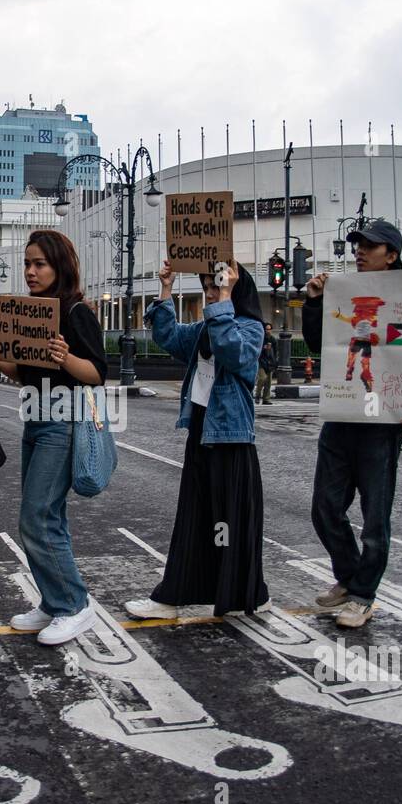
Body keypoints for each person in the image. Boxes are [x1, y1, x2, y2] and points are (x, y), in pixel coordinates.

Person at [303, 218, 402, 628]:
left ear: (391, 255)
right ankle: (349, 577)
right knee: (325, 509)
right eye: (358, 245)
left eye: (370, 246)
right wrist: (313, 302)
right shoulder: (341, 293)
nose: (360, 251)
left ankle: (363, 595)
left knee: (374, 517)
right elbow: (319, 347)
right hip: (342, 418)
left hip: (382, 426)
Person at [125, 258, 269, 620]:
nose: (209, 293)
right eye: (206, 286)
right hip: (202, 431)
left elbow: (233, 352)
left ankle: (248, 593)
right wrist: (166, 289)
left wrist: (223, 298)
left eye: (216, 285)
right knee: (195, 519)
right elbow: (168, 336)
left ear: (238, 289)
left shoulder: (250, 329)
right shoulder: (207, 327)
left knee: (229, 523)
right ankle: (174, 595)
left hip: (231, 438)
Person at [0, 230, 108, 646]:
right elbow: (23, 372)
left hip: (63, 424)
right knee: (49, 517)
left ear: (59, 265)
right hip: (35, 420)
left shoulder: (76, 311)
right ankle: (53, 599)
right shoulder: (33, 311)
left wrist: (66, 357)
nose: (30, 271)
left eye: (39, 263)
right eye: (27, 263)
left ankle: (74, 606)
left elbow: (98, 373)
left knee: (37, 518)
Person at [256, 323, 277, 405]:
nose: (267, 331)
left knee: (268, 381)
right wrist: (263, 348)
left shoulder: (273, 339)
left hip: (270, 362)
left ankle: (266, 399)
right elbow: (257, 349)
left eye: (269, 329)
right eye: (266, 329)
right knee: (262, 378)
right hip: (261, 361)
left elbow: (275, 352)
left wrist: (274, 362)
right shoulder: (261, 338)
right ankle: (257, 396)